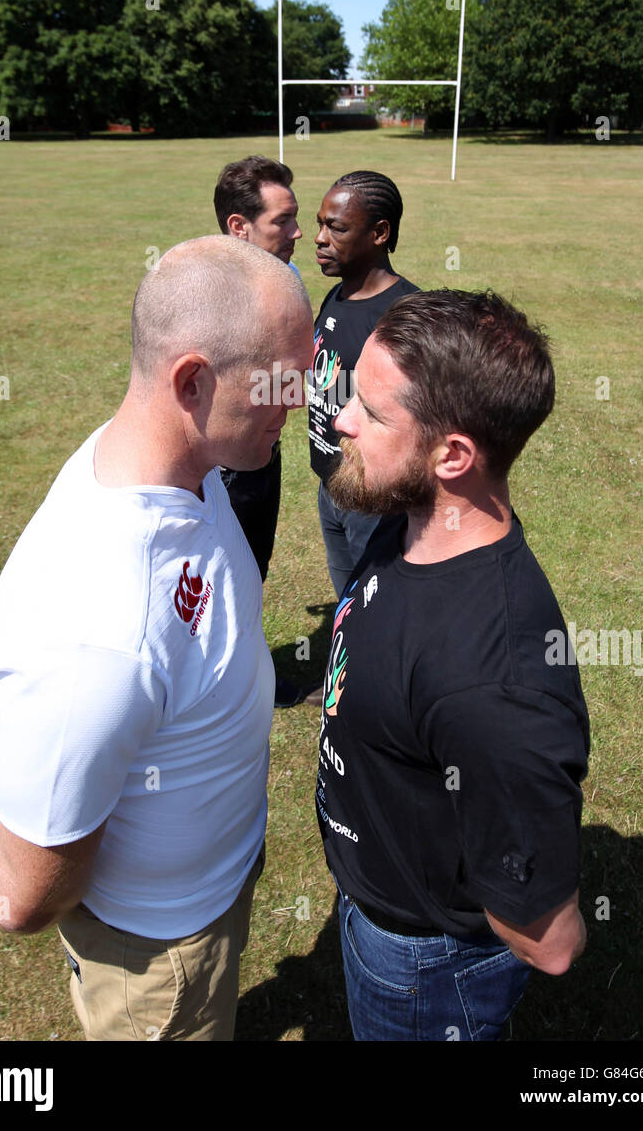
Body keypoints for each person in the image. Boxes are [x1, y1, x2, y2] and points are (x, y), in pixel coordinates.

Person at [0, 237, 312, 1041]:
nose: (301, 401)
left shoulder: (189, 467)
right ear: (193, 381)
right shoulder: (98, 629)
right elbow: (21, 897)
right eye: (281, 380)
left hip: (208, 887)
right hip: (161, 960)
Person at [316, 289, 590, 1042]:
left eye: (370, 413)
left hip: (424, 970)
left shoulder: (495, 688)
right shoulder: (405, 520)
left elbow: (551, 942)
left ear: (453, 456)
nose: (340, 420)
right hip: (377, 908)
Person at [214, 155, 315, 707]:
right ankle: (219, 689)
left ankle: (246, 678)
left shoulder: (285, 277)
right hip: (221, 467)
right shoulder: (208, 291)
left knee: (251, 572)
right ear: (239, 225)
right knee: (213, 585)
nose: (299, 232)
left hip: (263, 455)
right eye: (284, 220)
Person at [308, 170, 418, 595]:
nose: (320, 238)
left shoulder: (403, 314)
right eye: (320, 223)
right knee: (349, 607)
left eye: (336, 227)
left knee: (382, 610)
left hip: (375, 502)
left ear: (379, 232)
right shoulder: (336, 294)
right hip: (331, 488)